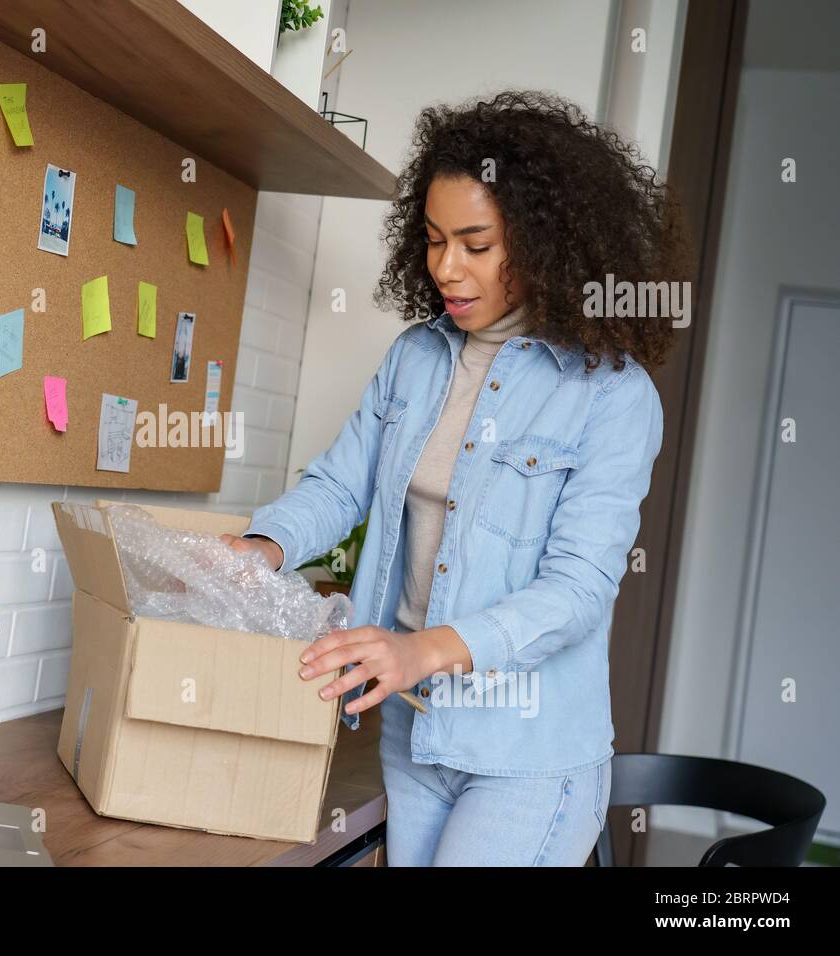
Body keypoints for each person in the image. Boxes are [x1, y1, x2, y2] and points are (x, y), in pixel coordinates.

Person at [223, 91, 692, 866]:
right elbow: (341, 487)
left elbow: (576, 590)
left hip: (527, 751)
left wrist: (424, 649)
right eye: (436, 240)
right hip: (414, 726)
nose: (446, 267)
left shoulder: (612, 395)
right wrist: (260, 548)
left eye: (476, 244)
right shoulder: (416, 358)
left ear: (546, 244)